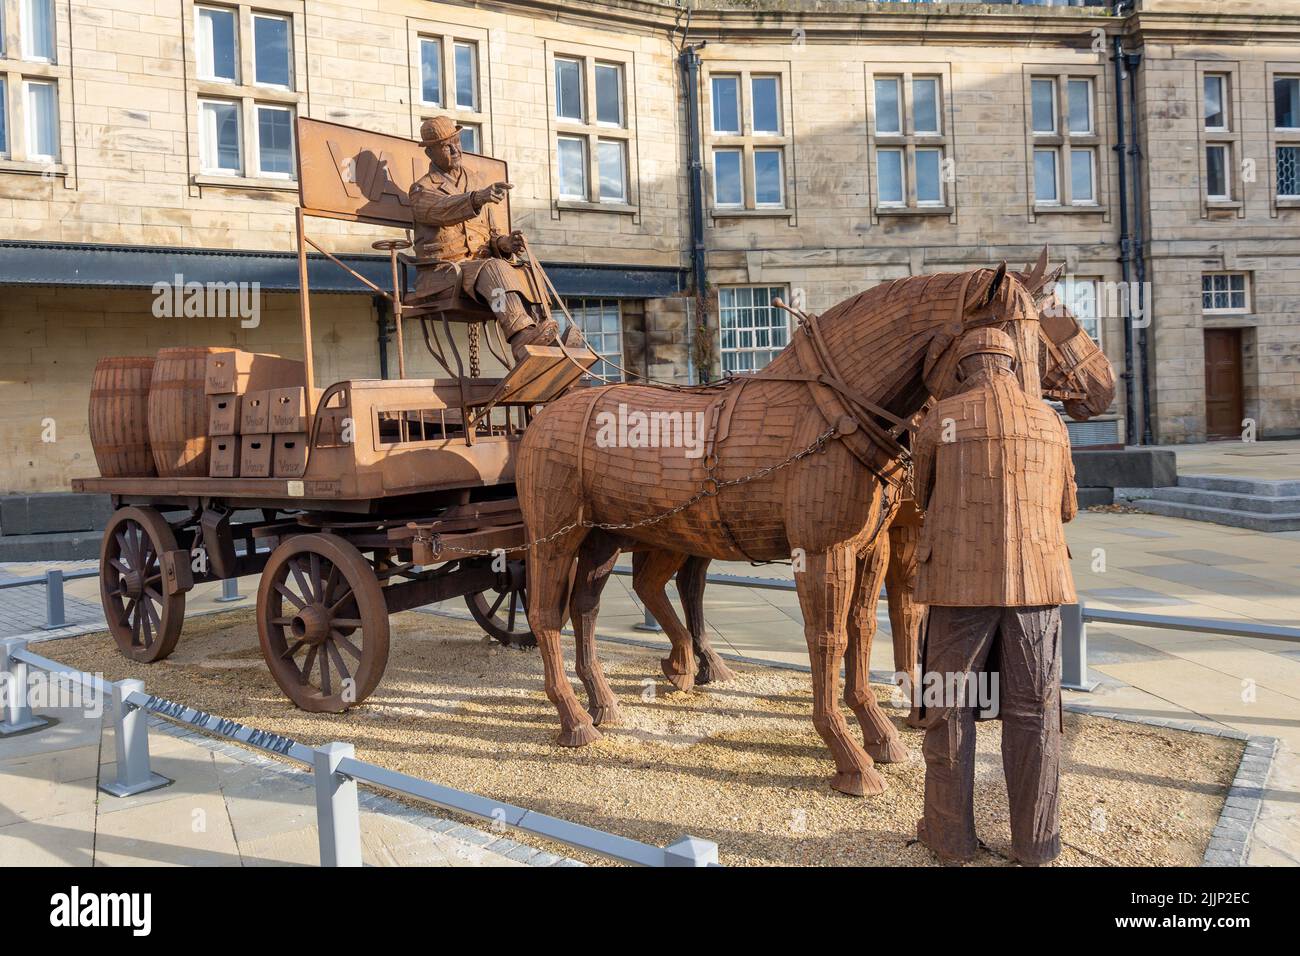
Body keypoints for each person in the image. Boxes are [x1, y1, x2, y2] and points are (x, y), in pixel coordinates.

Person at [910, 326, 1078, 866]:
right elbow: (1068, 506)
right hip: (1037, 583)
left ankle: (950, 839)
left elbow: (921, 495)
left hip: (959, 584)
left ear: (964, 366)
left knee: (949, 709)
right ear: (1011, 364)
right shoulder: (1050, 419)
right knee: (1036, 712)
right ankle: (1037, 844)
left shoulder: (941, 417)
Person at [408, 115, 578, 361]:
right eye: (446, 145)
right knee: (495, 267)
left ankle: (545, 334)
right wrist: (476, 198)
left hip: (478, 270)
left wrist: (506, 244)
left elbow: (492, 235)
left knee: (525, 268)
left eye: (457, 141)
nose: (455, 149)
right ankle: (521, 338)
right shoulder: (422, 189)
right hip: (442, 272)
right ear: (430, 153)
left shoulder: (475, 181)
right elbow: (442, 210)